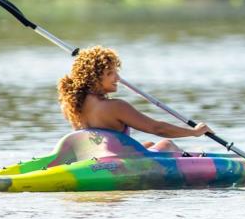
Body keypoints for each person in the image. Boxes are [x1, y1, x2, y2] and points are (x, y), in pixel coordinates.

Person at [56, 46, 210, 154]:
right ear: (92, 77)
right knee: (166, 144)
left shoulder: (72, 105)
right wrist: (194, 132)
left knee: (148, 145)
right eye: (110, 73)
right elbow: (157, 129)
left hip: (98, 159)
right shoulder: (115, 107)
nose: (118, 78)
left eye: (116, 72)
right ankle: (196, 163)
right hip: (118, 165)